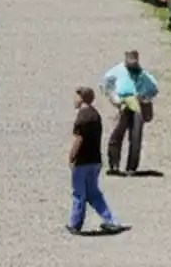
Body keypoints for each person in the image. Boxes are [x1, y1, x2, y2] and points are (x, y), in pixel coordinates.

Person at [68, 86, 126, 235]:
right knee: (94, 193)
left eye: (76, 96)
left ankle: (75, 223)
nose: (74, 100)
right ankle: (111, 220)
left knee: (79, 193)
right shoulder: (95, 115)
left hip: (82, 161)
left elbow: (78, 139)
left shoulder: (82, 117)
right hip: (95, 161)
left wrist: (71, 156)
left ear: (82, 98)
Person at [101, 51, 158, 176]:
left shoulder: (143, 74)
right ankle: (114, 164)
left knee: (136, 136)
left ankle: (131, 167)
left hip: (138, 105)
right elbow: (106, 86)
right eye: (130, 63)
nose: (133, 65)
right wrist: (116, 100)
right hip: (124, 105)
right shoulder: (116, 71)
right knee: (117, 134)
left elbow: (154, 89)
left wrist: (144, 97)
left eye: (135, 63)